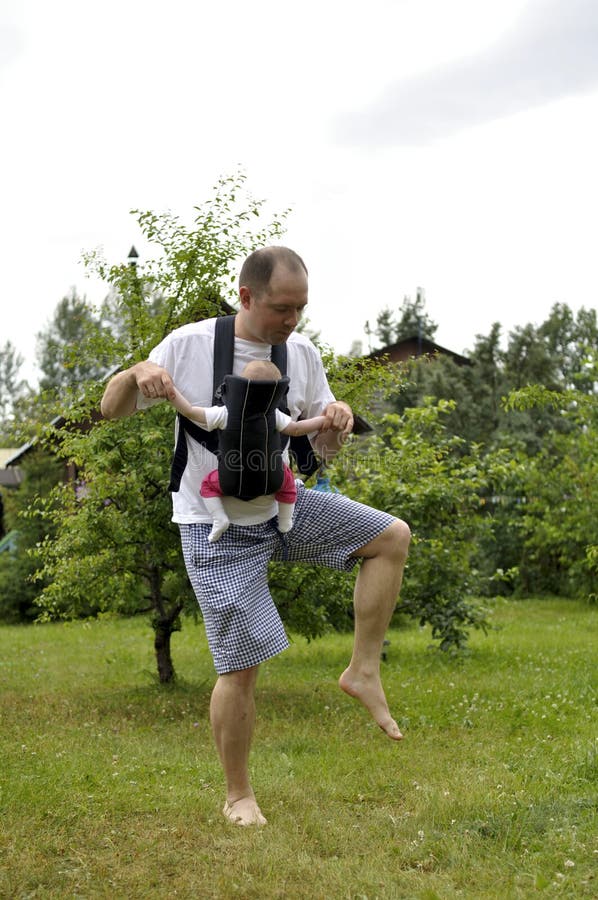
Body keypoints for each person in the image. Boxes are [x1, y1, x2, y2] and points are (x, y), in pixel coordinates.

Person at [101, 246, 411, 827]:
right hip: (213, 523)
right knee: (241, 664)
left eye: (301, 308)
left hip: (281, 504)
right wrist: (133, 373)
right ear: (246, 297)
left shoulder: (300, 352)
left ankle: (362, 670)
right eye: (281, 308)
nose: (292, 320)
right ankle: (238, 795)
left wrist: (337, 418)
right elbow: (110, 409)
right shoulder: (188, 344)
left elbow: (318, 447)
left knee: (390, 537)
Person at [169, 358, 328, 541]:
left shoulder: (225, 413)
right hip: (273, 479)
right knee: (289, 483)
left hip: (229, 478)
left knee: (206, 486)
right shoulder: (274, 415)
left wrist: (171, 392)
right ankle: (285, 521)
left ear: (241, 386)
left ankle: (219, 518)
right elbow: (297, 429)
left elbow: (190, 411)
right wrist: (324, 420)